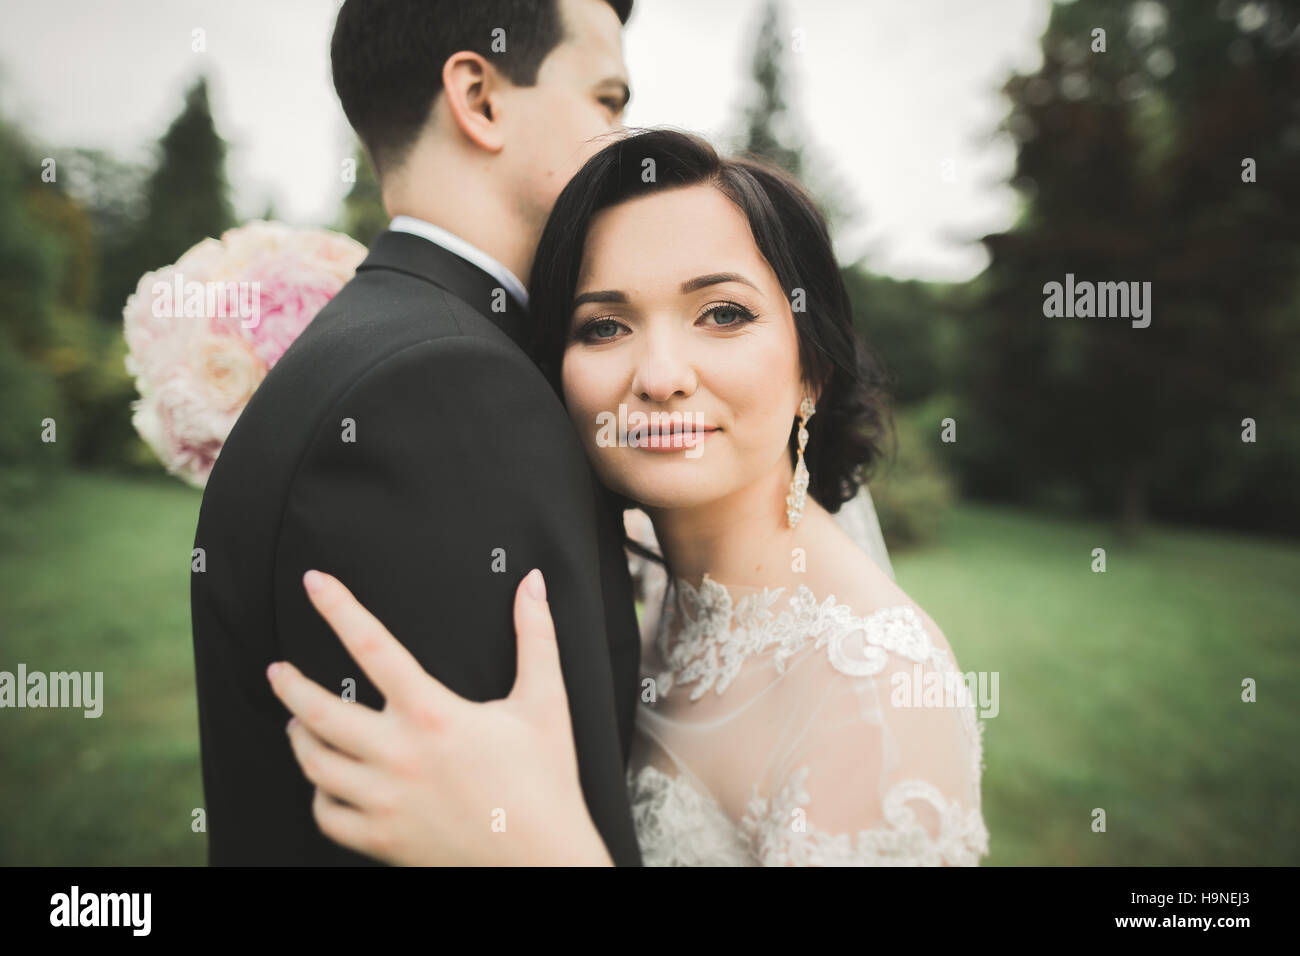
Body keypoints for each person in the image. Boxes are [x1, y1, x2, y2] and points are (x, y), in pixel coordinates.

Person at [266, 129, 990, 866]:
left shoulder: (877, 689)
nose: (661, 375)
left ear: (813, 373)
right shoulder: (637, 586)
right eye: (605, 325)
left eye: (723, 313)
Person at [190, 0, 644, 865]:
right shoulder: (447, 389)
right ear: (479, 96)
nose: (625, 144)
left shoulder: (378, 341)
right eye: (608, 100)